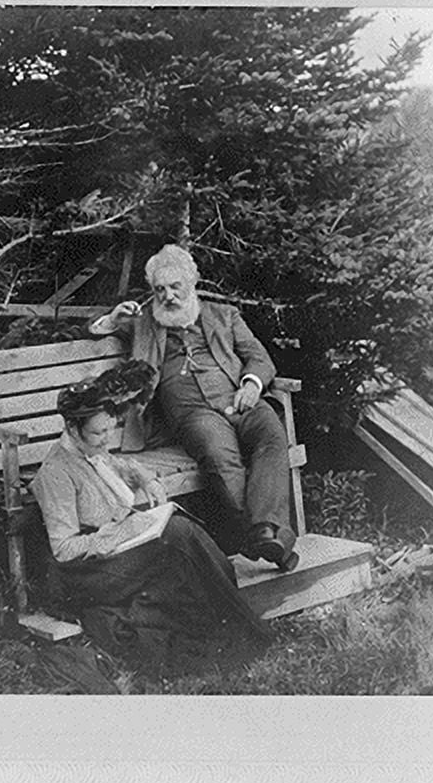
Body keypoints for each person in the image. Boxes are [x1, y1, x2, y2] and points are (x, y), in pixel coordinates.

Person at [30, 361, 269, 669]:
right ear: (72, 429)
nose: (106, 439)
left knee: (183, 529)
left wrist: (146, 478)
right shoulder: (57, 473)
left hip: (116, 552)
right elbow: (63, 551)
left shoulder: (91, 451)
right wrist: (125, 530)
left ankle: (236, 627)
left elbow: (117, 464)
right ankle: (240, 632)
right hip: (86, 572)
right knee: (179, 540)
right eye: (98, 432)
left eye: (110, 429)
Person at [89, 244, 298, 571]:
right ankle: (269, 535)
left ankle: (265, 536)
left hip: (239, 399)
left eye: (175, 287)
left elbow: (258, 357)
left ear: (193, 283)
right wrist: (112, 319)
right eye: (160, 289)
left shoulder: (224, 315)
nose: (168, 296)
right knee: (219, 453)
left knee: (272, 436)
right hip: (191, 413)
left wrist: (251, 384)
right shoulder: (146, 323)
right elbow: (95, 331)